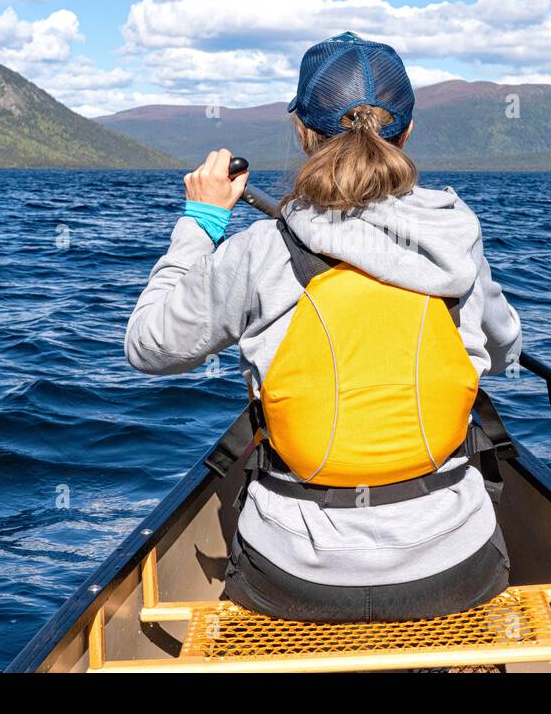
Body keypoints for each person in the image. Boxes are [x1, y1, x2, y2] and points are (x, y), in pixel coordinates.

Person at [125, 31, 522, 622]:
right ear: (406, 133)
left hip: (293, 581)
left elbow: (148, 346)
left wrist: (201, 222)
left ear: (302, 133)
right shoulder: (458, 237)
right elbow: (504, 349)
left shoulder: (261, 250)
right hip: (454, 568)